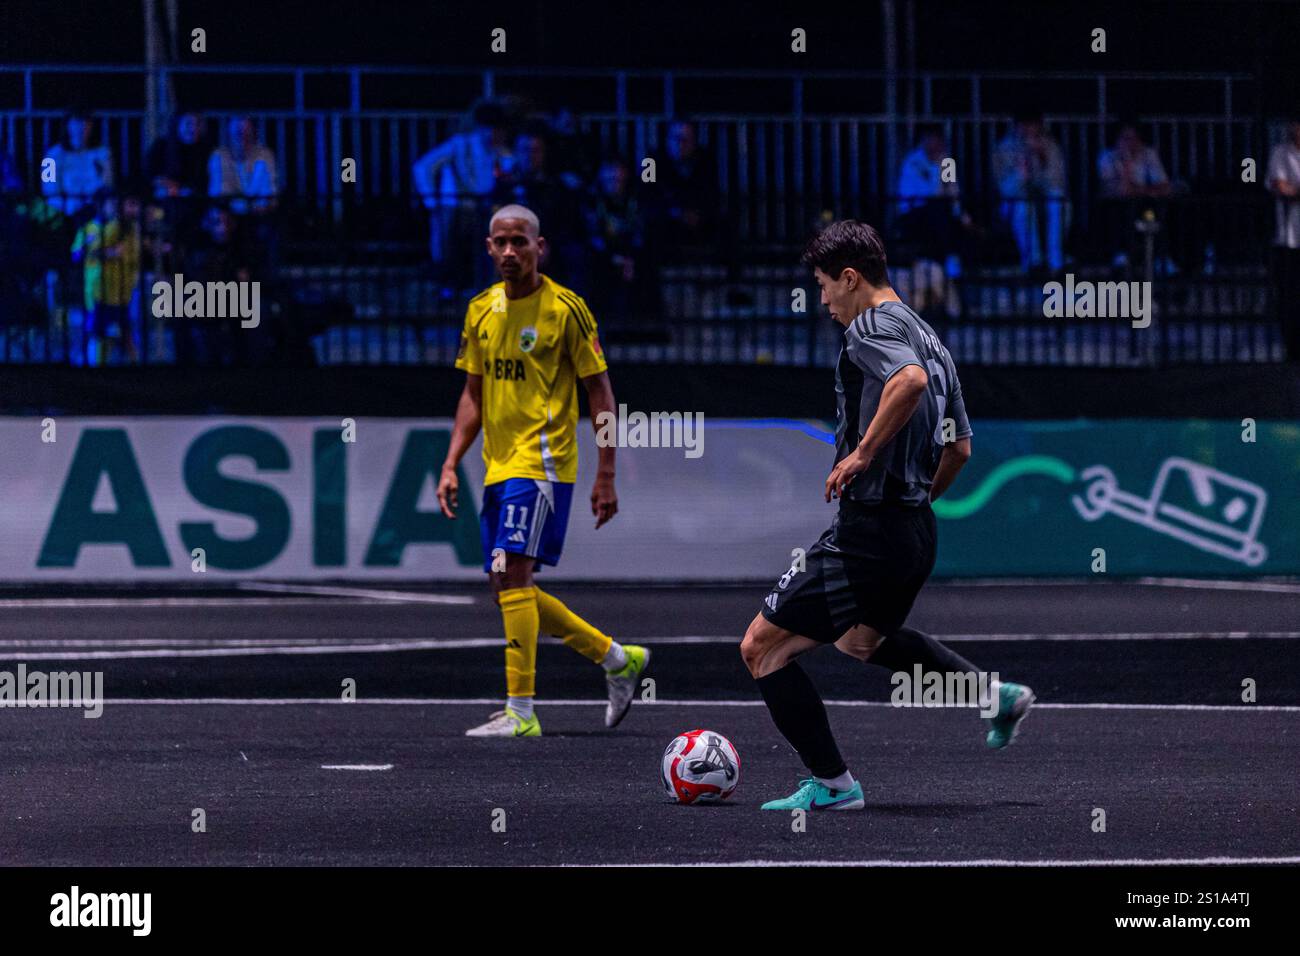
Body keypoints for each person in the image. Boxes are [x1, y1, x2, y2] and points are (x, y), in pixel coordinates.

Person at [739, 220, 1034, 811]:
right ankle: (992, 695)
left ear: (851, 278)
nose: (821, 300)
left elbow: (909, 381)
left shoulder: (871, 328)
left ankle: (832, 785)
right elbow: (961, 448)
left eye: (824, 285)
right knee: (860, 642)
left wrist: (862, 455)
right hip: (915, 533)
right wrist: (917, 503)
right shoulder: (933, 338)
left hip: (870, 530)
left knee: (760, 649)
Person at [436, 204, 650, 737]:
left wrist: (606, 473)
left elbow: (599, 392)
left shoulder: (566, 310)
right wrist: (449, 463)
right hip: (498, 466)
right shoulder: (480, 310)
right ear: (488, 247)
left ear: (540, 246)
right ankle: (617, 658)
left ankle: (522, 711)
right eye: (501, 243)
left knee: (514, 578)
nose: (511, 252)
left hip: (543, 465)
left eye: (520, 243)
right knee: (504, 585)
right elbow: (472, 394)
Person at [412, 100, 515, 288]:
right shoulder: (460, 144)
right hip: (455, 207)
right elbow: (423, 167)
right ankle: (447, 285)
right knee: (450, 243)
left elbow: (506, 177)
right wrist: (432, 202)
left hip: (484, 209)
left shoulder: (501, 152)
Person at [71, 191, 141, 366]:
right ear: (100, 205)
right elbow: (77, 254)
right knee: (96, 333)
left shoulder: (124, 229)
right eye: (111, 203)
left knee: (126, 334)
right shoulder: (88, 228)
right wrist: (102, 252)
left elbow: (124, 253)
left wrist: (97, 253)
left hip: (120, 292)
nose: (115, 208)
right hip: (95, 293)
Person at [993, 113, 1068, 272]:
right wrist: (1021, 174)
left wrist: (1043, 160)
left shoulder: (1050, 146)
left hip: (1044, 199)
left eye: (1033, 126)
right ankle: (1033, 262)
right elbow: (1005, 189)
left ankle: (1055, 261)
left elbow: (1058, 184)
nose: (1028, 131)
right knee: (1022, 206)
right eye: (1024, 126)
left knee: (1058, 203)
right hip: (1014, 201)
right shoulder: (1004, 149)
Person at [1266, 119, 1300, 361]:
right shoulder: (1280, 152)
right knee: (1290, 293)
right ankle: (1293, 347)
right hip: (1290, 236)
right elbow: (1280, 186)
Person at [42, 111, 114, 219]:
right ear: (67, 126)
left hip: (93, 206)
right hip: (64, 206)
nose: (80, 128)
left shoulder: (103, 153)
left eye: (85, 123)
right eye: (76, 123)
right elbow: (48, 186)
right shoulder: (52, 154)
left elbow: (108, 183)